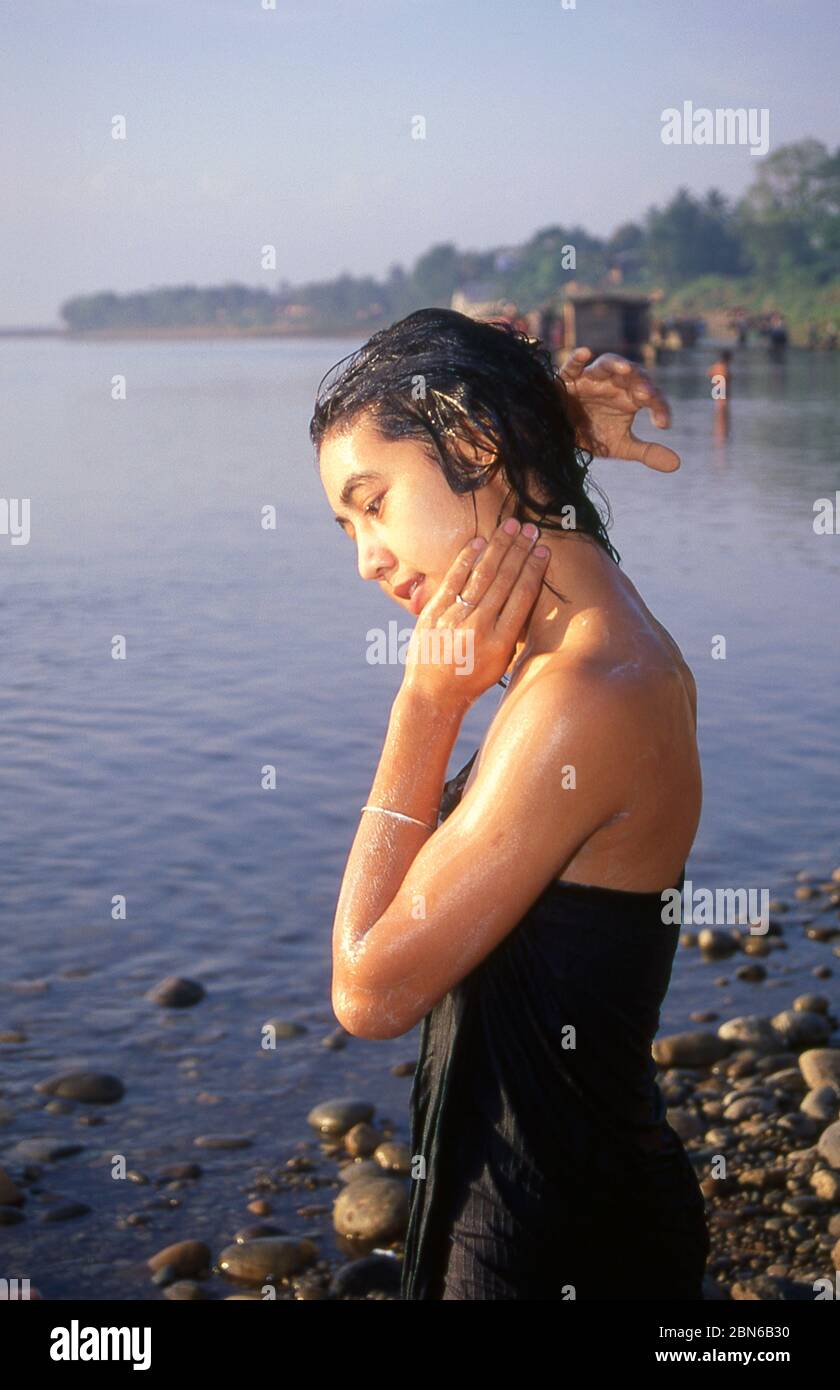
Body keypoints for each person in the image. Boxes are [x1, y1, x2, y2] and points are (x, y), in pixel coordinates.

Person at [311, 308, 708, 1300]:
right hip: (562, 1205)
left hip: (553, 1238)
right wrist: (543, 420)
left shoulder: (582, 697)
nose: (366, 556)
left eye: (374, 503)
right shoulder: (588, 640)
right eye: (347, 523)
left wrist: (423, 705)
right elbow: (453, 413)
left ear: (477, 446)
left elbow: (369, 993)